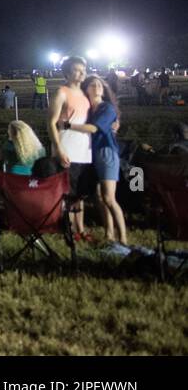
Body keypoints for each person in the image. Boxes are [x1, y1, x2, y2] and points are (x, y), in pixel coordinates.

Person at [72, 76, 127, 247]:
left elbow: (94, 128)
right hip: (90, 155)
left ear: (103, 90)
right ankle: (109, 233)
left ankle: (123, 238)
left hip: (106, 153)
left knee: (109, 198)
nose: (96, 88)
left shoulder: (106, 108)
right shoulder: (88, 110)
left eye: (99, 85)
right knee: (98, 196)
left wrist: (67, 126)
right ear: (86, 89)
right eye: (92, 85)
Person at [46, 56, 92, 240]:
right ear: (67, 72)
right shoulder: (61, 92)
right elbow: (51, 122)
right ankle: (68, 229)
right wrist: (58, 148)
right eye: (77, 70)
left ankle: (81, 229)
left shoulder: (85, 95)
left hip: (84, 151)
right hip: (67, 149)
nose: (82, 73)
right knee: (67, 193)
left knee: (80, 193)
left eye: (83, 69)